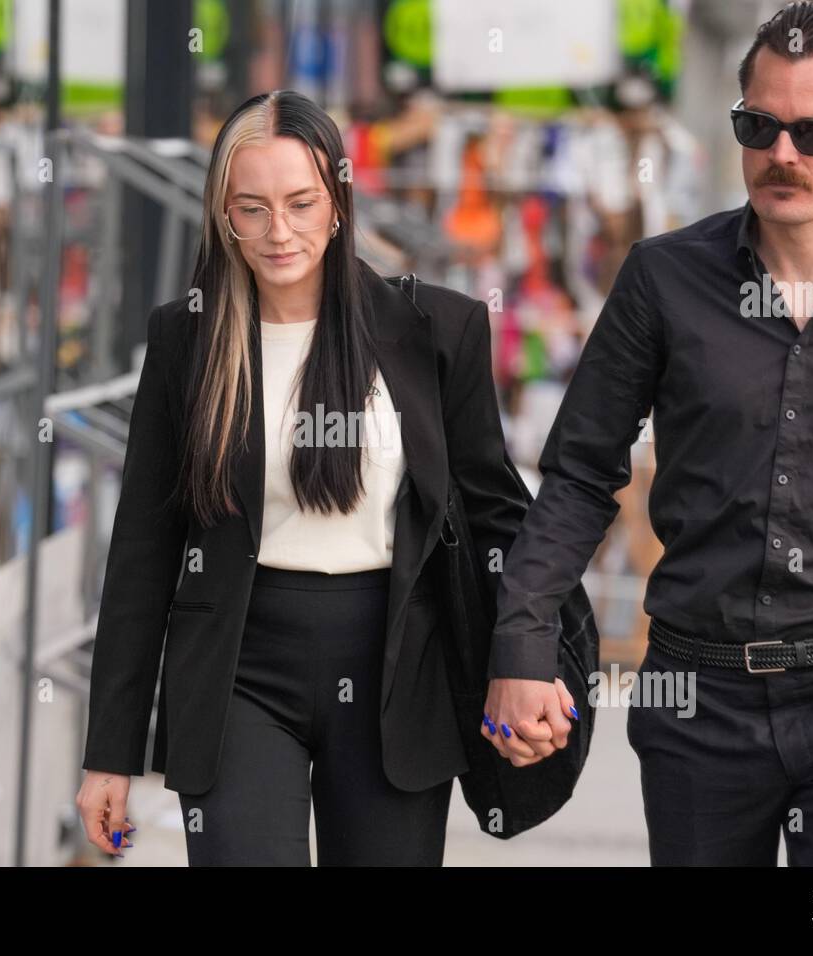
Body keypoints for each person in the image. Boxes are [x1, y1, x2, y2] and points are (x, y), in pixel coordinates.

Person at [485, 0, 813, 865]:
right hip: (698, 703)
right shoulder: (662, 280)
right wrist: (522, 642)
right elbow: (577, 474)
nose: (782, 154)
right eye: (758, 126)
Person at [75, 89, 568, 865]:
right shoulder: (188, 340)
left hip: (397, 667)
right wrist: (109, 750)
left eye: (301, 203)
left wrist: (528, 659)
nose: (280, 232)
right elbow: (143, 549)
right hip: (237, 667)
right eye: (253, 208)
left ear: (337, 201)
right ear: (223, 215)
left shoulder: (436, 329)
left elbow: (497, 517)